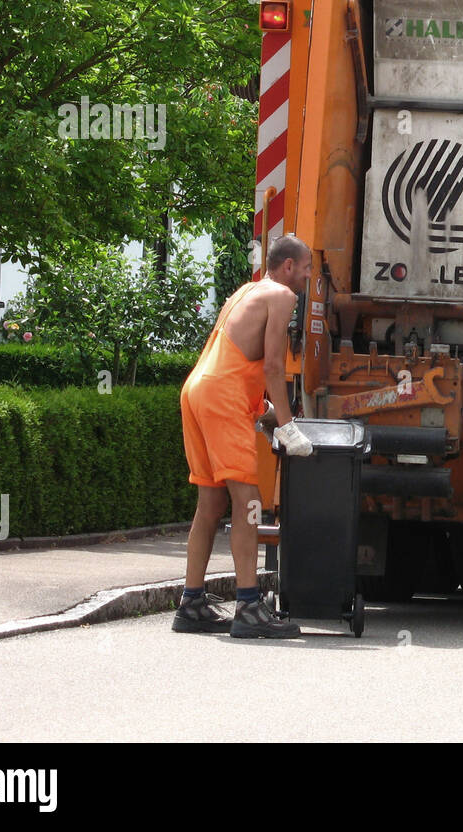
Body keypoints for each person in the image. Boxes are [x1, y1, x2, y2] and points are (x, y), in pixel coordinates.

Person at [173, 233, 315, 639]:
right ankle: (249, 605)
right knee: (249, 501)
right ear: (288, 266)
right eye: (305, 268)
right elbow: (272, 367)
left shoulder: (246, 292)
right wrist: (287, 426)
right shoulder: (282, 296)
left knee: (210, 502)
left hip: (198, 390)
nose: (307, 276)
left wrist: (270, 416)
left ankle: (192, 602)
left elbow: (236, 363)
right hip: (222, 400)